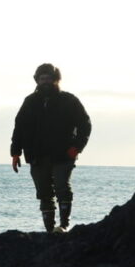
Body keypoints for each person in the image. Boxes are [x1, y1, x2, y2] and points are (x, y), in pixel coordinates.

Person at [11, 63, 91, 233]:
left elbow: (85, 124)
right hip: (37, 155)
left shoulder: (69, 100)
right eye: (42, 79)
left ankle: (63, 226)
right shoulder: (30, 102)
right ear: (37, 81)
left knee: (62, 187)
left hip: (63, 154)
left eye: (49, 78)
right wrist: (15, 153)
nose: (45, 82)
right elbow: (19, 127)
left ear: (55, 79)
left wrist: (77, 147)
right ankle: (49, 230)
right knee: (43, 192)